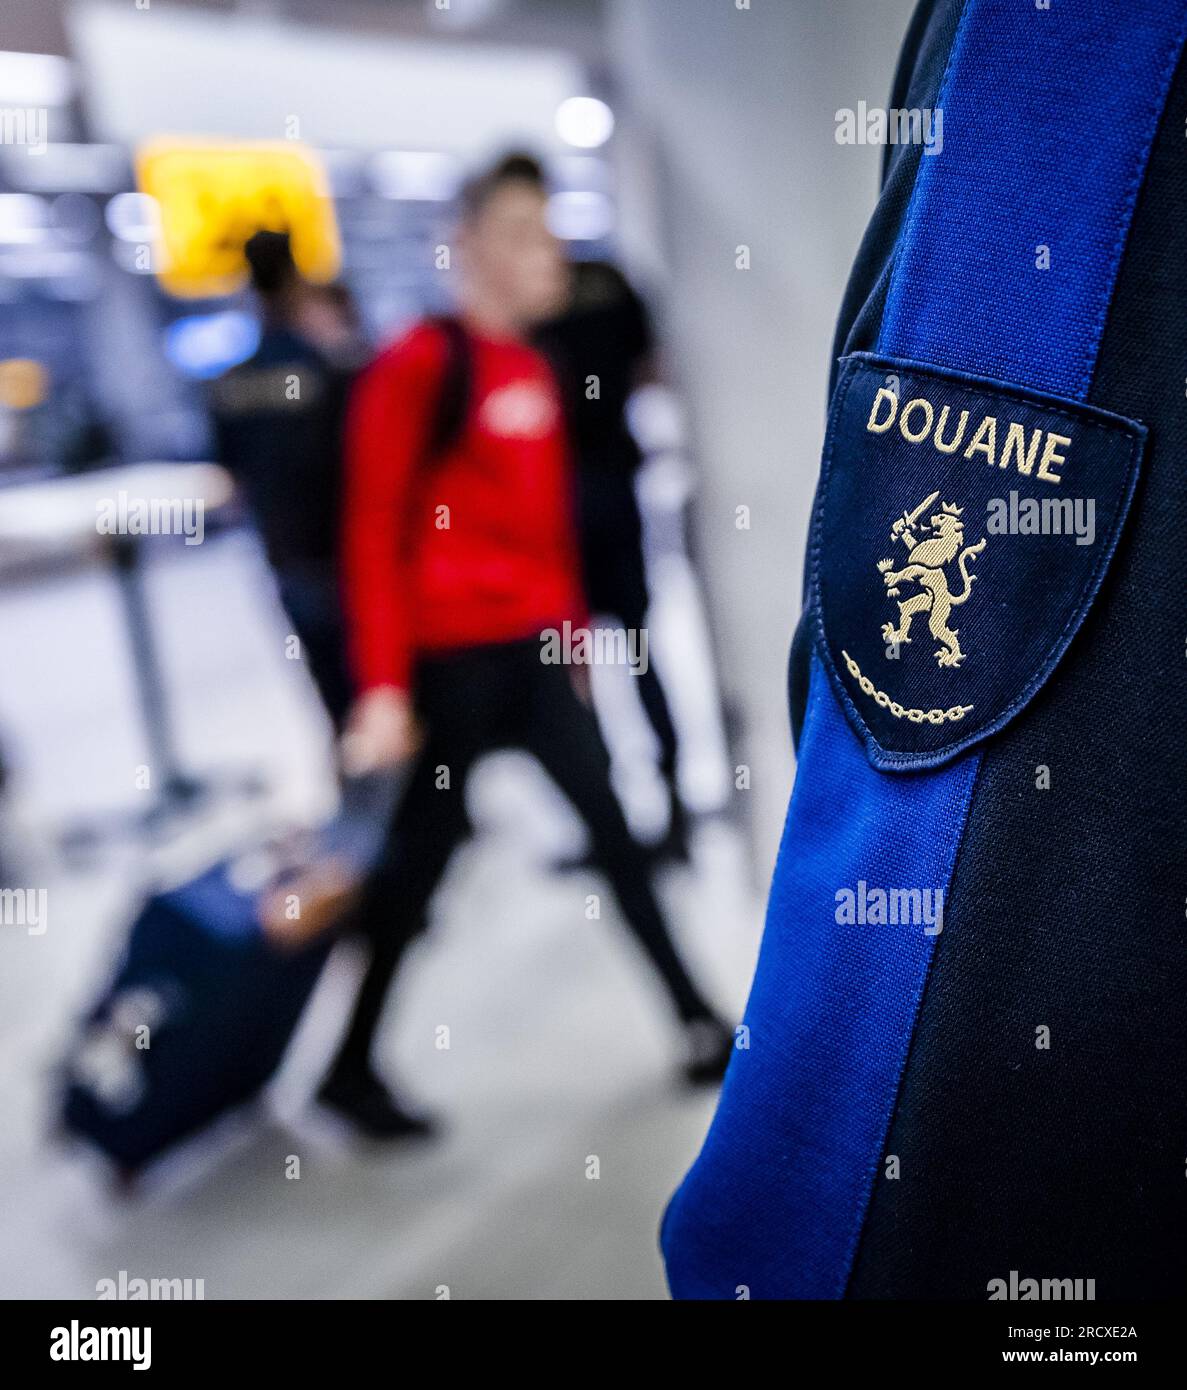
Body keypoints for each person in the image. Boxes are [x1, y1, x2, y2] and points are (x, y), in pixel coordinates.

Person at [319, 154, 733, 1139]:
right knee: (416, 868)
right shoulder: (418, 364)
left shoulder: (532, 369)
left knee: (612, 824)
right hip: (447, 666)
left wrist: (571, 655)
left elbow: (545, 540)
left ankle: (697, 1018)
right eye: (520, 230)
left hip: (532, 657)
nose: (545, 249)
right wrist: (380, 689)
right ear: (468, 245)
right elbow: (370, 531)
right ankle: (346, 1065)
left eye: (547, 228)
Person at [536, 260, 691, 862]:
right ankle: (668, 813)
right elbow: (651, 371)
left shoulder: (538, 298)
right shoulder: (610, 281)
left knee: (581, 668)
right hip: (610, 492)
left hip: (559, 505)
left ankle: (612, 829)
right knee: (637, 653)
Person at [211, 231, 365, 729]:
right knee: (379, 693)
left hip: (288, 561)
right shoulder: (331, 368)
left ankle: (358, 783)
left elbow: (230, 481)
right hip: (350, 562)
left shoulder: (231, 384)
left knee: (331, 694)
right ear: (297, 282)